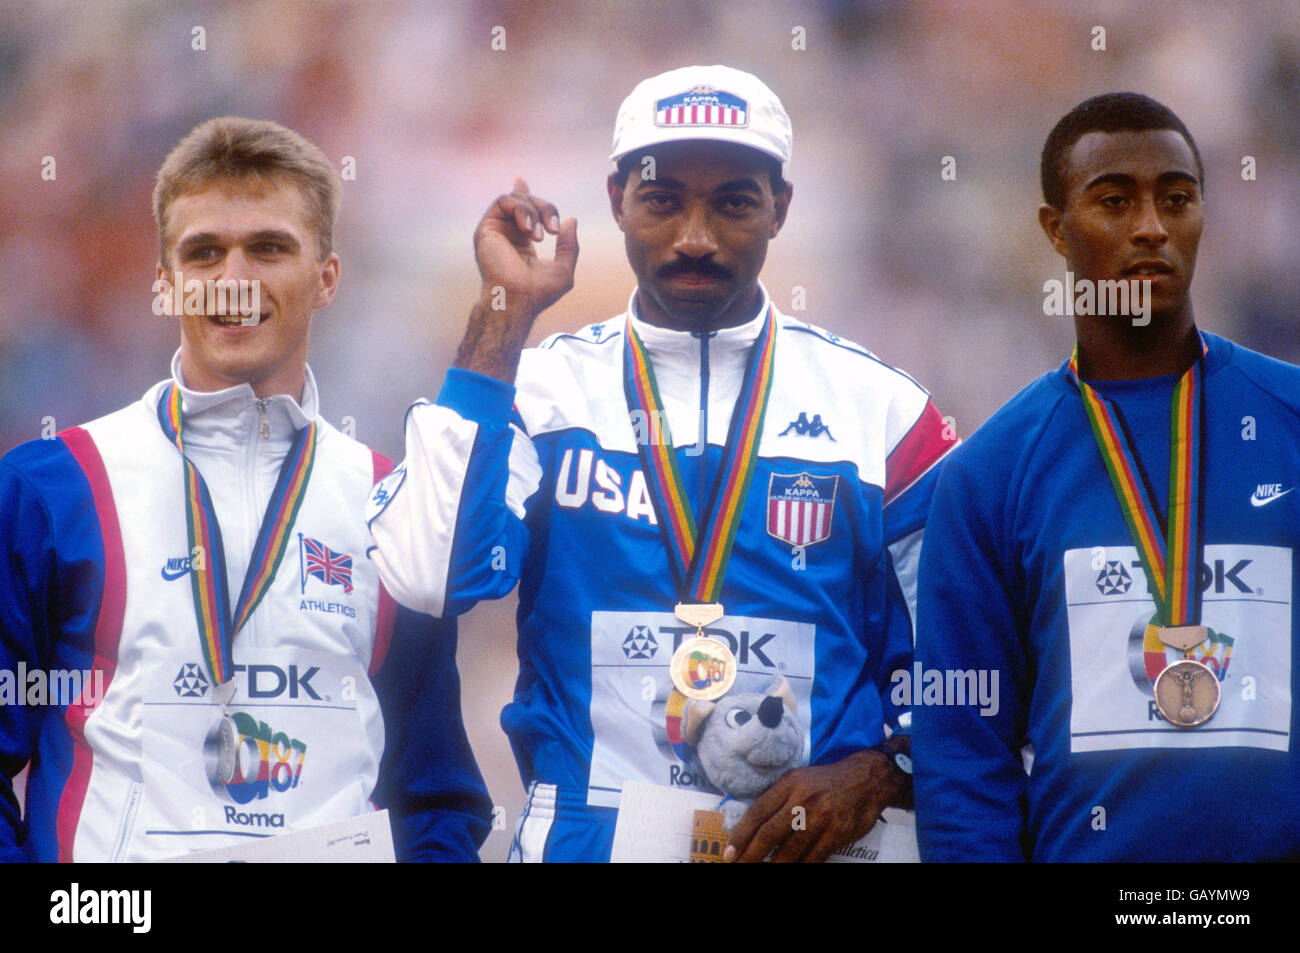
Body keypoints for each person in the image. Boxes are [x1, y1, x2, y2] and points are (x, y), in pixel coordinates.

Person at [368, 65, 956, 862]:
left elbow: (967, 661)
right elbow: (428, 575)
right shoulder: (541, 389)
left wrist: (882, 772)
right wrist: (499, 321)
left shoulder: (883, 412)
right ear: (616, 201)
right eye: (663, 199)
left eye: (734, 203)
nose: (695, 237)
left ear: (781, 206)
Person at [0, 117, 491, 862]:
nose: (233, 280)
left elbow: (435, 794)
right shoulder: (51, 488)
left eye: (267, 247)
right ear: (166, 283)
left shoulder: (389, 502)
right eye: (204, 253)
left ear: (327, 277)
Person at [913, 92, 1300, 861]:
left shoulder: (1289, 418)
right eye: (1114, 201)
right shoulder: (989, 473)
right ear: (1056, 230)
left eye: (1177, 198)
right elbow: (963, 756)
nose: (1153, 226)